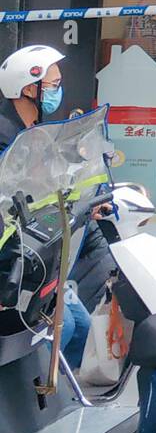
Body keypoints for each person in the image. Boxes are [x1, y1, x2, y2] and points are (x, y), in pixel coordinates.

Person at [0, 45, 96, 367]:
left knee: (80, 325)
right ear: (29, 88)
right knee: (65, 325)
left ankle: (64, 405)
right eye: (53, 85)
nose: (58, 90)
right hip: (13, 254)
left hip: (39, 245)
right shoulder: (5, 136)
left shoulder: (35, 134)